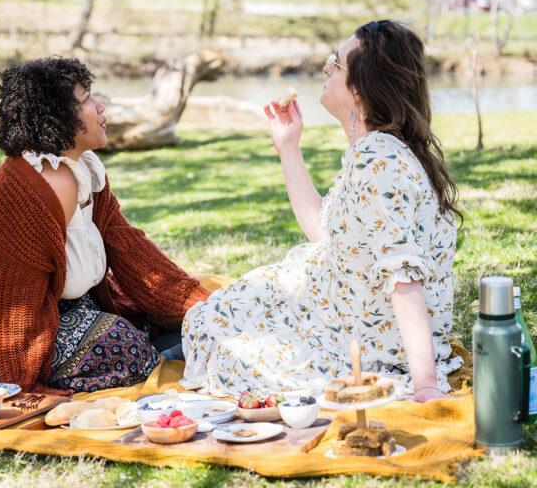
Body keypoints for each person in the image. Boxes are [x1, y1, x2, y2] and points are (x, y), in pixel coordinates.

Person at [180, 20, 464, 403]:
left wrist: (425, 383)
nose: (326, 69)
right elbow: (327, 235)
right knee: (227, 306)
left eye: (337, 62)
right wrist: (288, 147)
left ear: (361, 90)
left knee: (218, 328)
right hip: (341, 305)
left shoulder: (376, 160)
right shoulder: (380, 149)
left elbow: (403, 277)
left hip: (363, 339)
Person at [0, 57, 210, 394]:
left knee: (164, 315)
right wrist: (18, 383)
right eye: (87, 100)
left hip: (63, 307)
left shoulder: (84, 169)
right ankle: (169, 356)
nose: (101, 106)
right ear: (58, 117)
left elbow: (129, 248)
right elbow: (14, 303)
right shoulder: (27, 191)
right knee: (122, 343)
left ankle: (175, 349)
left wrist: (200, 303)